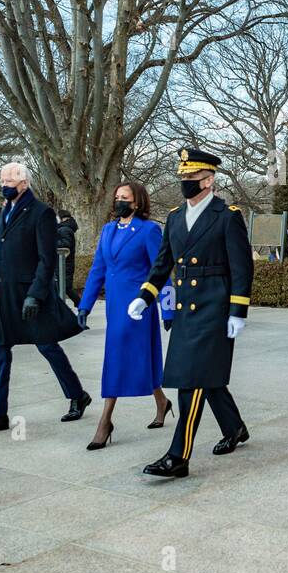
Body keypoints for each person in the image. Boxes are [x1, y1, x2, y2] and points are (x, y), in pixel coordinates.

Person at [127, 147, 253, 478]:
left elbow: (242, 268)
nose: (185, 182)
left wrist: (238, 310)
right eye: (182, 177)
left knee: (192, 380)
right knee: (205, 376)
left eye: (191, 177)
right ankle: (235, 427)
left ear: (208, 180)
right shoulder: (173, 217)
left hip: (214, 308)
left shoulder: (227, 216)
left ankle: (178, 455)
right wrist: (146, 295)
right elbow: (163, 262)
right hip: (185, 310)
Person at [0, 163, 89, 436]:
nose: (4, 183)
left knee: (47, 347)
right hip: (3, 295)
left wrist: (35, 295)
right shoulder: (3, 212)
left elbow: (47, 260)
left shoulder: (41, 213)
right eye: (2, 179)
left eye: (9, 179)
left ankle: (77, 394)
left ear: (23, 183)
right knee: (0, 351)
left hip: (28, 296)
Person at [76, 182, 172, 450]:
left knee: (118, 357)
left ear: (137, 202)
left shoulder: (149, 230)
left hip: (139, 306)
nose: (119, 201)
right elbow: (98, 269)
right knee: (141, 356)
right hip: (114, 305)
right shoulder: (107, 230)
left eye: (125, 198)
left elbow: (161, 270)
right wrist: (84, 305)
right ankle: (162, 402)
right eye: (116, 197)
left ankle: (105, 421)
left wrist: (167, 307)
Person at [56, 209, 80, 305]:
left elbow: (66, 244)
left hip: (65, 263)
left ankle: (80, 304)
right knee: (64, 286)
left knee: (66, 287)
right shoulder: (64, 228)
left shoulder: (65, 229)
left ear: (62, 218)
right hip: (63, 263)